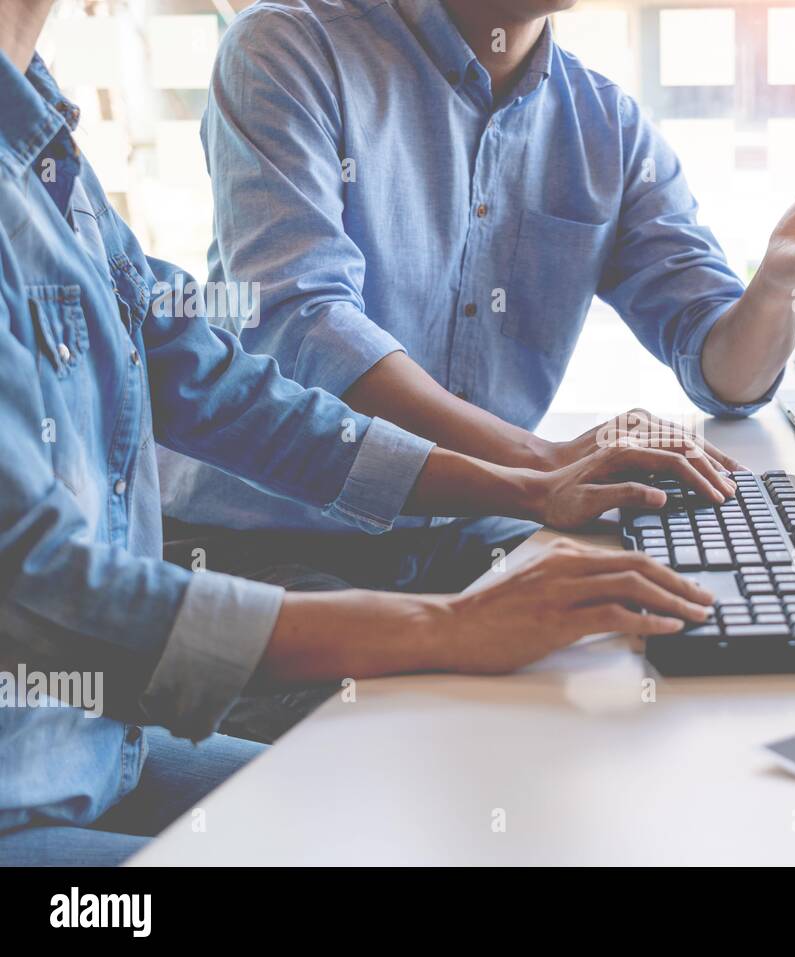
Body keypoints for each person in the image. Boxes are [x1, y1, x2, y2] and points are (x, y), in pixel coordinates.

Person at [0, 0, 720, 866]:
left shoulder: (41, 145)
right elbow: (37, 592)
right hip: (22, 789)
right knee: (414, 799)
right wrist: (442, 626)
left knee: (409, 815)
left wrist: (527, 484)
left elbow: (224, 389)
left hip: (98, 748)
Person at [159, 0, 795, 595]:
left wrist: (774, 288)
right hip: (271, 545)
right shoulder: (289, 48)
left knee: (653, 659)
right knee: (426, 747)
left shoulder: (604, 126)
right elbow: (309, 326)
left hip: (468, 530)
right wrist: (542, 466)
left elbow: (726, 372)